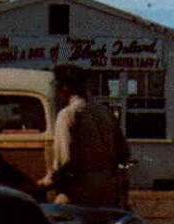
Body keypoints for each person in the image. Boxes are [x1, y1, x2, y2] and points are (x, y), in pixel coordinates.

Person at [43, 63, 130, 208]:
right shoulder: (105, 112)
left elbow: (65, 160)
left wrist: (48, 181)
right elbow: (124, 152)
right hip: (108, 186)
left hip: (80, 189)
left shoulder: (67, 115)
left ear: (64, 87)